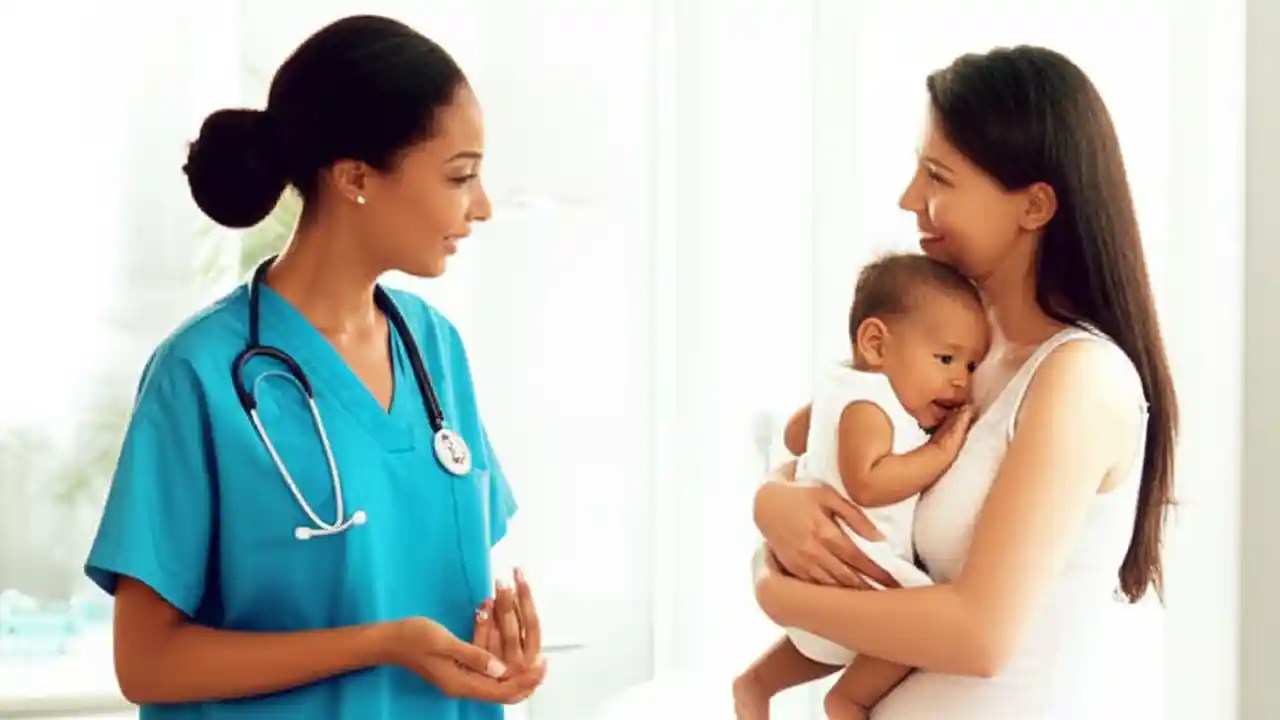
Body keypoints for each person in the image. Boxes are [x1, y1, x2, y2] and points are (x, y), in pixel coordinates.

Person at [83, 15, 545, 719]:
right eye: (460, 176)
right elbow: (146, 664)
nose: (479, 207)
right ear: (356, 177)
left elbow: (439, 602)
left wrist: (497, 658)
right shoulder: (201, 376)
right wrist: (380, 644)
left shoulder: (436, 351)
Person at [751, 45, 1177, 719]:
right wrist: (773, 499)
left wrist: (777, 596)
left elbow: (979, 635)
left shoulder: (1079, 378)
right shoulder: (960, 357)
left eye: (938, 177)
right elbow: (828, 439)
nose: (909, 199)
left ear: (1033, 207)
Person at [734, 253, 989, 720]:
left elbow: (793, 437)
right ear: (875, 344)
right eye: (946, 358)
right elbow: (869, 484)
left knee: (820, 648)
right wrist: (940, 451)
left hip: (813, 564)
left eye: (972, 366)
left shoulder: (843, 386)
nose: (959, 379)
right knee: (921, 621)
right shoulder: (871, 405)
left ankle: (757, 684)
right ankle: (848, 699)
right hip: (851, 558)